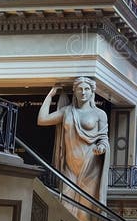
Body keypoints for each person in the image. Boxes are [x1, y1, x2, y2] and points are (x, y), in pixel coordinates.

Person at [37, 77, 110, 214]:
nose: (83, 92)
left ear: (92, 91)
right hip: (70, 166)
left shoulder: (100, 114)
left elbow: (103, 138)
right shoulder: (67, 111)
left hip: (91, 165)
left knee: (86, 210)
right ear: (75, 91)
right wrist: (50, 95)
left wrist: (102, 147)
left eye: (87, 89)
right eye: (80, 89)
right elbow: (42, 120)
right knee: (67, 207)